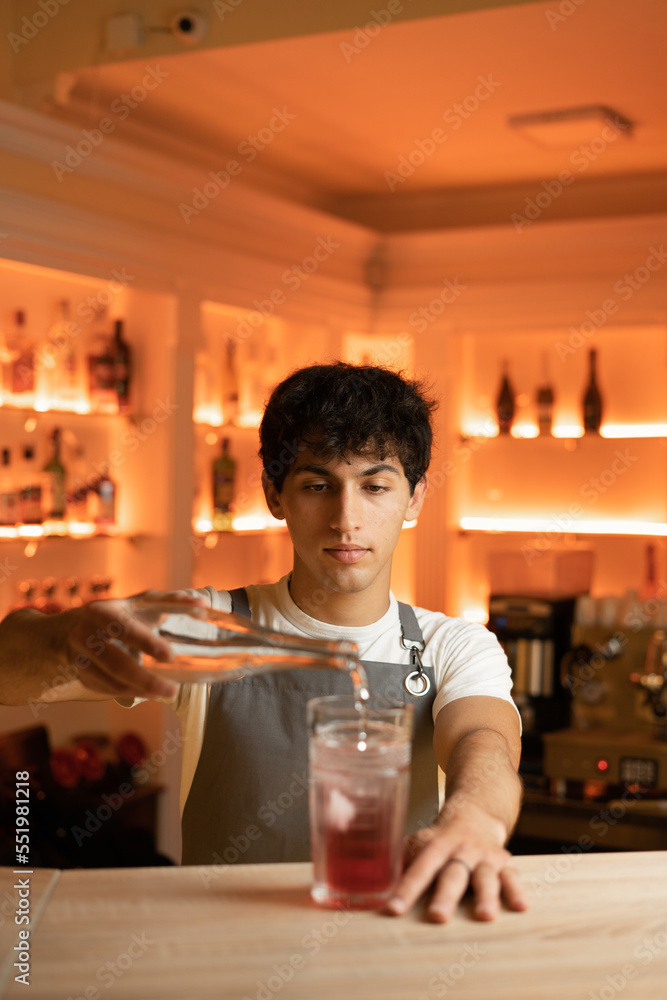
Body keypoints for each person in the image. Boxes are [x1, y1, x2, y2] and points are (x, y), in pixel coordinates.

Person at [0, 362, 528, 923]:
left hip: (394, 938)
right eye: (317, 485)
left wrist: (473, 818)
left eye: (375, 486)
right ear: (275, 494)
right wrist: (68, 640)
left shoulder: (456, 646)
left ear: (415, 498)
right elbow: (9, 672)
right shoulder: (209, 625)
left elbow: (484, 742)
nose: (346, 519)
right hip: (220, 947)